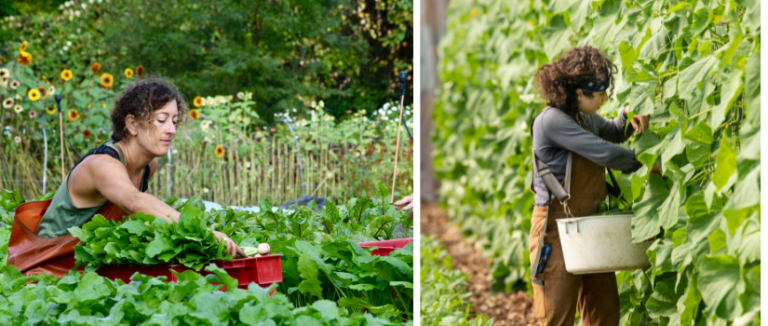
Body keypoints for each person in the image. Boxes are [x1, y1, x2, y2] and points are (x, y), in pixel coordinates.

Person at [8, 78, 246, 278]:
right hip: (45, 270)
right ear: (132, 124)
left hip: (91, 269)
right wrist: (203, 233)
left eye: (174, 121)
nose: (172, 130)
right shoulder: (102, 165)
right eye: (162, 120)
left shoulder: (149, 165)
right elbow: (134, 201)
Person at [528, 46, 659, 325]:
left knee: (604, 313)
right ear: (579, 93)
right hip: (556, 228)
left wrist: (628, 115)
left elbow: (613, 132)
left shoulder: (584, 118)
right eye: (599, 94)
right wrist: (647, 163)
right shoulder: (551, 121)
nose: (603, 99)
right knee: (556, 316)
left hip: (590, 226)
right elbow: (604, 152)